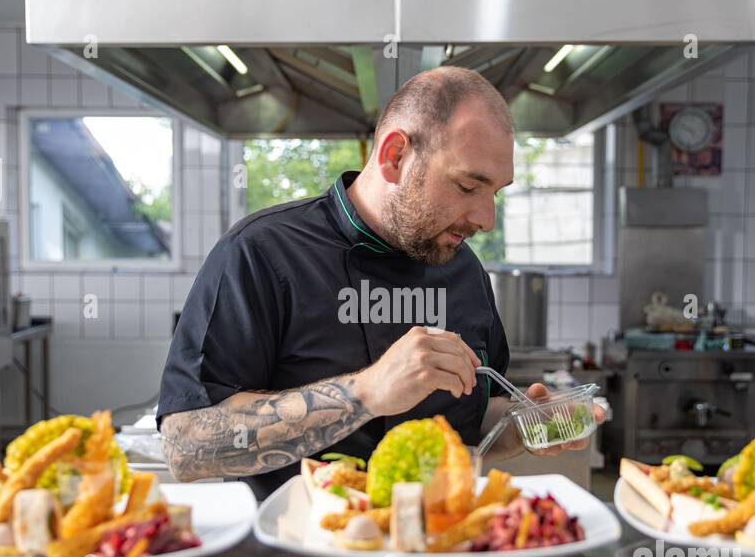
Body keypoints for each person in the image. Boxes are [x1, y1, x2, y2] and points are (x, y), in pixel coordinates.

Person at [157, 67, 603, 498]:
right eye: (469, 187)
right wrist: (366, 392)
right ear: (395, 157)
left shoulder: (464, 270)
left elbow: (472, 416)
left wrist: (523, 425)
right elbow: (186, 446)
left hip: (436, 550)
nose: (486, 220)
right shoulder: (260, 253)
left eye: (496, 193)